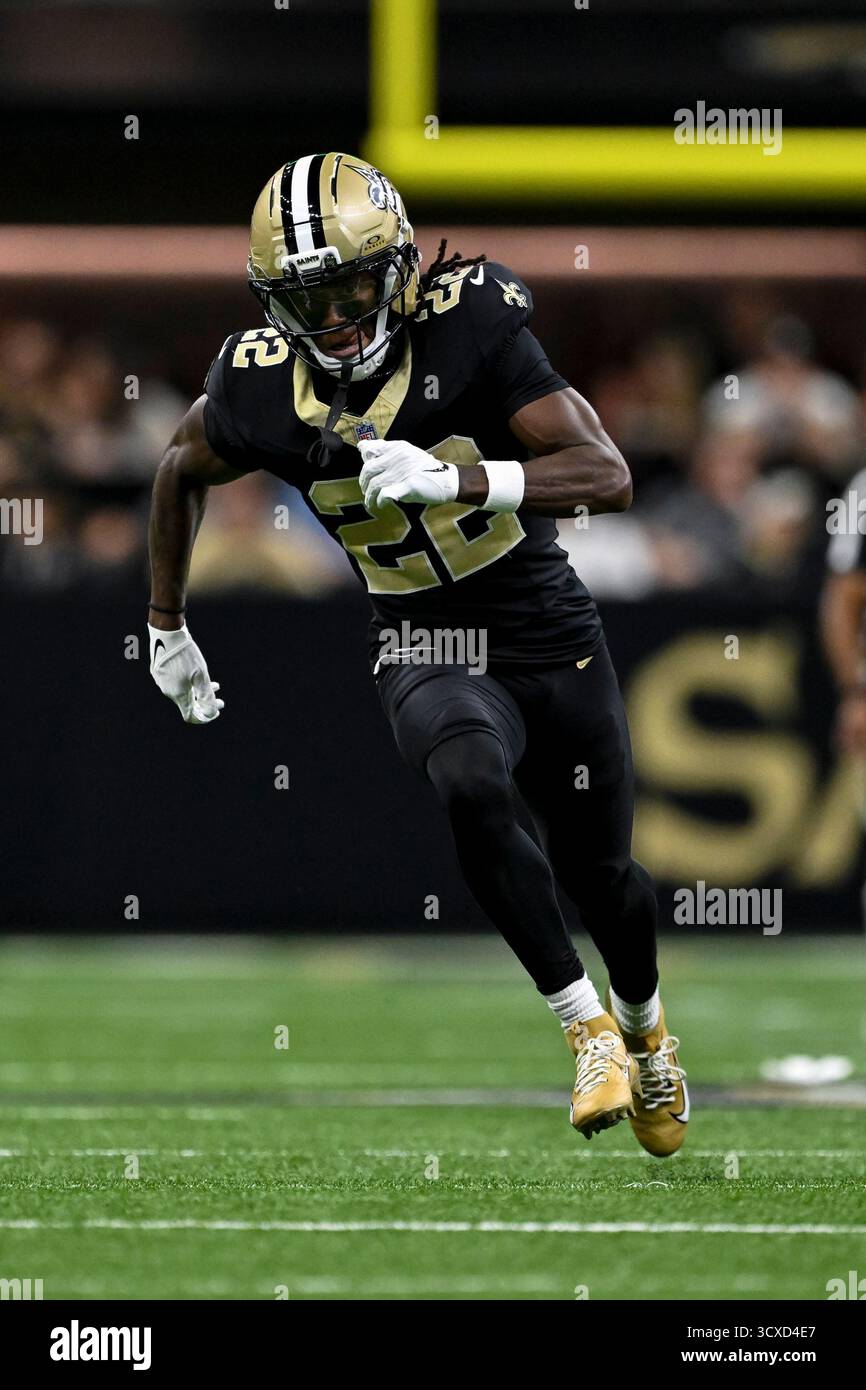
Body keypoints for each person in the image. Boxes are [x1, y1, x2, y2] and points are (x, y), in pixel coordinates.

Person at [146, 152, 687, 1151]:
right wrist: (165, 623)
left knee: (603, 873)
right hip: (420, 634)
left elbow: (604, 472)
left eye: (355, 286)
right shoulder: (259, 388)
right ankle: (585, 1029)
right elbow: (180, 465)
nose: (342, 316)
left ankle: (648, 1032)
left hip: (544, 627)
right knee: (471, 780)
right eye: (312, 298)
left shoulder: (470, 325)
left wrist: (458, 482)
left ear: (396, 269)